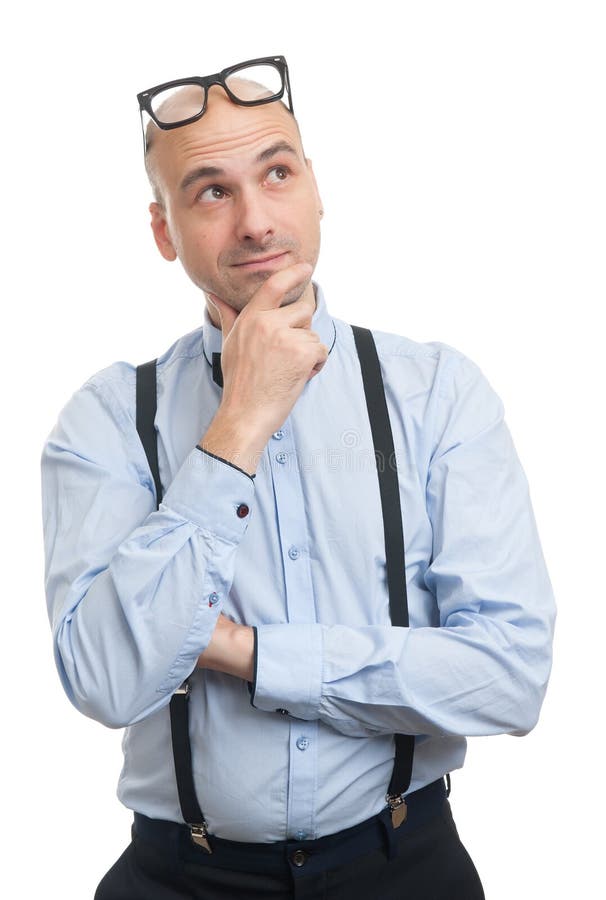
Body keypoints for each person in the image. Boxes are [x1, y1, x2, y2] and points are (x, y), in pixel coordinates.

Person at [40, 55, 556, 899]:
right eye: (211, 191)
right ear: (164, 232)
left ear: (315, 189)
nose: (255, 222)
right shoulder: (107, 420)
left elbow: (510, 677)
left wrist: (244, 652)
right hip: (180, 879)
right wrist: (239, 422)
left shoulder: (436, 393)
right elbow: (104, 678)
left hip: (407, 869)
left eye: (276, 174)